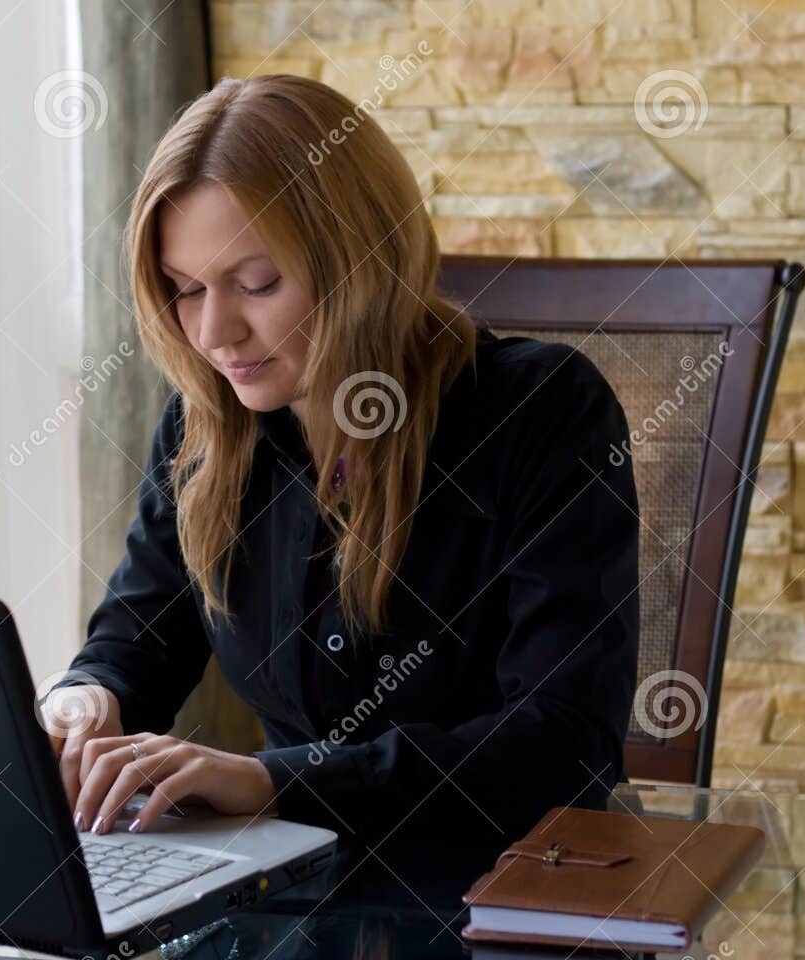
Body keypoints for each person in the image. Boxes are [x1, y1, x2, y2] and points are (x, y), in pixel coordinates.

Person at [40, 74, 639, 850]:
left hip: (493, 901)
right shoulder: (208, 428)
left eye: (257, 283)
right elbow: (141, 635)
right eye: (184, 290)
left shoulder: (543, 412)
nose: (216, 332)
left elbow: (566, 746)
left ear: (360, 258)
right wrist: (88, 695)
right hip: (283, 896)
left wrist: (273, 782)